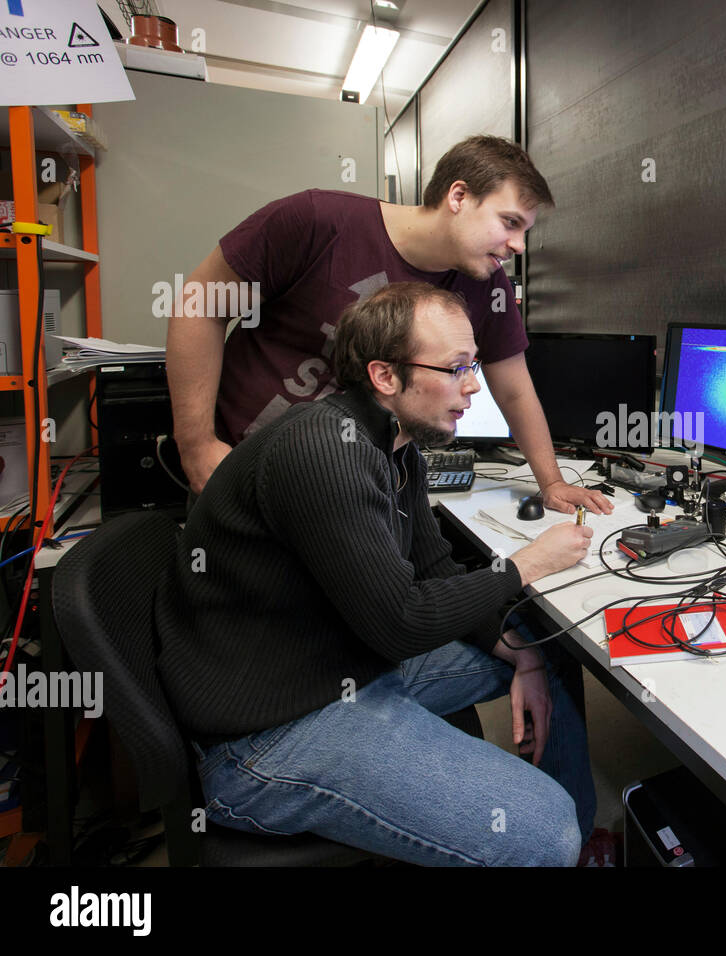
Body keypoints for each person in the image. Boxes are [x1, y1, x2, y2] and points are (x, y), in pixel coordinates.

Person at [156, 282, 598, 866]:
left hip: (343, 658)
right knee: (547, 832)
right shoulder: (324, 451)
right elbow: (401, 622)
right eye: (456, 368)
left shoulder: (395, 444)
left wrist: (523, 654)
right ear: (385, 376)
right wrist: (526, 564)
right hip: (268, 733)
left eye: (473, 366)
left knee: (551, 643)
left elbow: (433, 567)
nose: (474, 385)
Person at [166, 134, 611, 518]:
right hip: (243, 467)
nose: (517, 244)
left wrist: (551, 483)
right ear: (458, 197)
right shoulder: (318, 220)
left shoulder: (486, 284)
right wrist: (197, 445)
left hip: (353, 483)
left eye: (526, 231)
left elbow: (513, 387)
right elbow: (199, 305)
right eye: (510, 222)